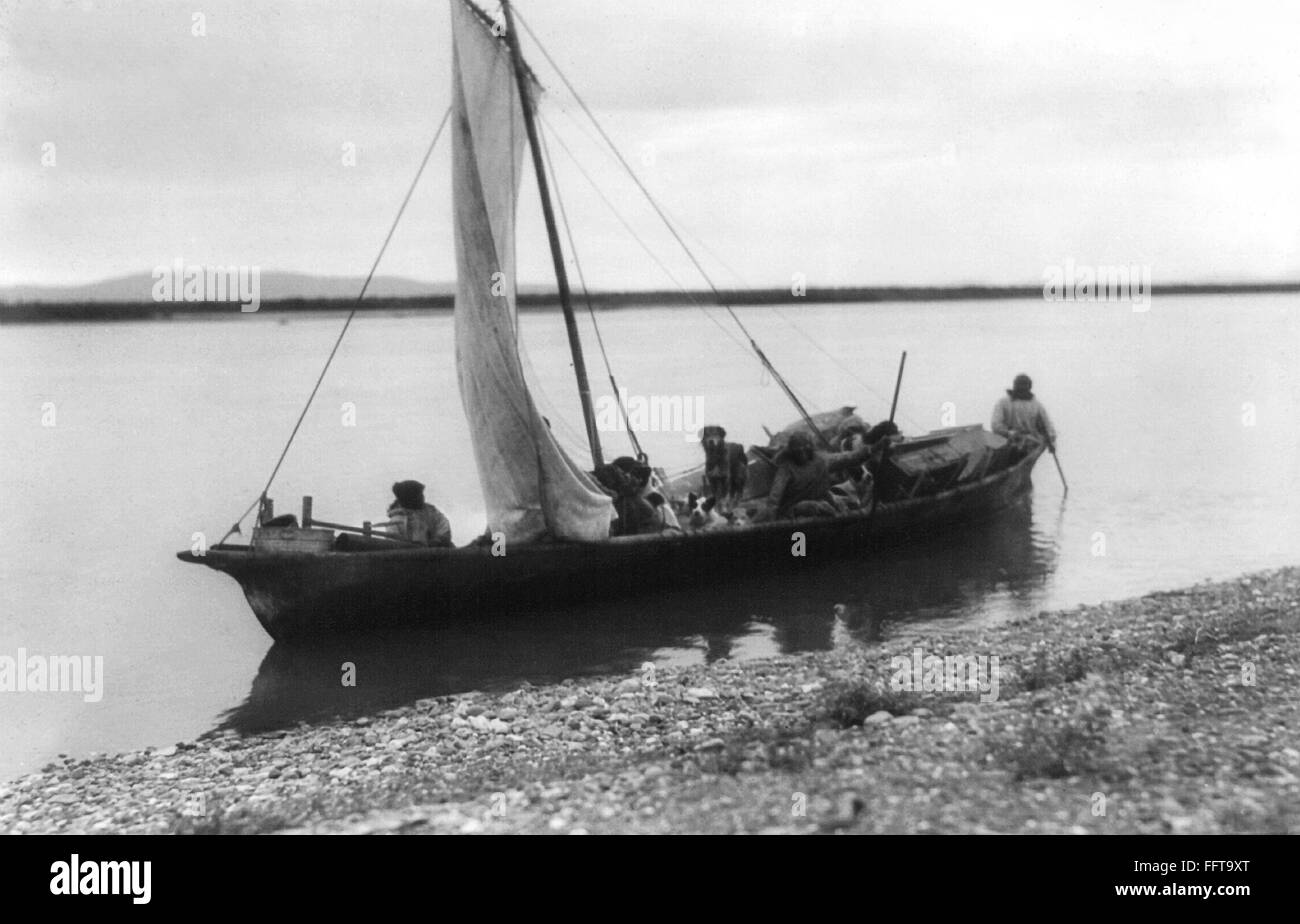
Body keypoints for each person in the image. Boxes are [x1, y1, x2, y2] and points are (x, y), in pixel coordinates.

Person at [760, 431, 875, 519]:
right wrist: (771, 520)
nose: (802, 454)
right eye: (798, 451)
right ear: (792, 451)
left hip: (822, 500)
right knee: (812, 506)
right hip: (793, 510)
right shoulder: (786, 468)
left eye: (805, 449)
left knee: (844, 504)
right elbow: (774, 499)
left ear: (810, 448)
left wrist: (874, 449)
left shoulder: (821, 460)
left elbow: (848, 458)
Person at [991, 374, 1057, 451]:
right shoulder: (1003, 402)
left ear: (1029, 387)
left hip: (1030, 446)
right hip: (1005, 444)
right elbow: (996, 424)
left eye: (1024, 385)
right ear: (1014, 386)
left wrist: (1050, 443)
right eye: (1019, 385)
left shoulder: (1036, 406)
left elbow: (1048, 428)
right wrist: (1009, 433)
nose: (1022, 388)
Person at [386, 480, 453, 547]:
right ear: (409, 498)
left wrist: (437, 541)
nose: (423, 497)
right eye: (419, 495)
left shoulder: (432, 512)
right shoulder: (394, 523)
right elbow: (394, 545)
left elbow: (444, 529)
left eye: (421, 494)